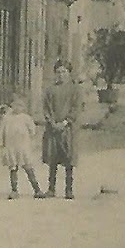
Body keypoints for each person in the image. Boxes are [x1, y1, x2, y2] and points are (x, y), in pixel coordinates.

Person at [42, 60, 82, 199]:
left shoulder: (75, 89)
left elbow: (76, 108)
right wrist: (52, 122)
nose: (61, 75)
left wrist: (65, 122)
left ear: (69, 73)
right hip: (53, 129)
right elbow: (46, 108)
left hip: (68, 129)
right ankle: (51, 189)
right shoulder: (50, 90)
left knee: (68, 158)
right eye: (58, 72)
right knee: (53, 158)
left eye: (64, 72)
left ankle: (68, 190)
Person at [0, 95, 44, 200]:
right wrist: (1, 143)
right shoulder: (7, 118)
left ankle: (37, 189)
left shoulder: (26, 118)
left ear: (24, 108)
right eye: (15, 105)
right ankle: (14, 190)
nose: (17, 108)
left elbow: (32, 130)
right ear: (11, 106)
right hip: (11, 146)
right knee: (13, 168)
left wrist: (31, 136)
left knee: (28, 167)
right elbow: (1, 131)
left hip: (23, 147)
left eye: (20, 106)